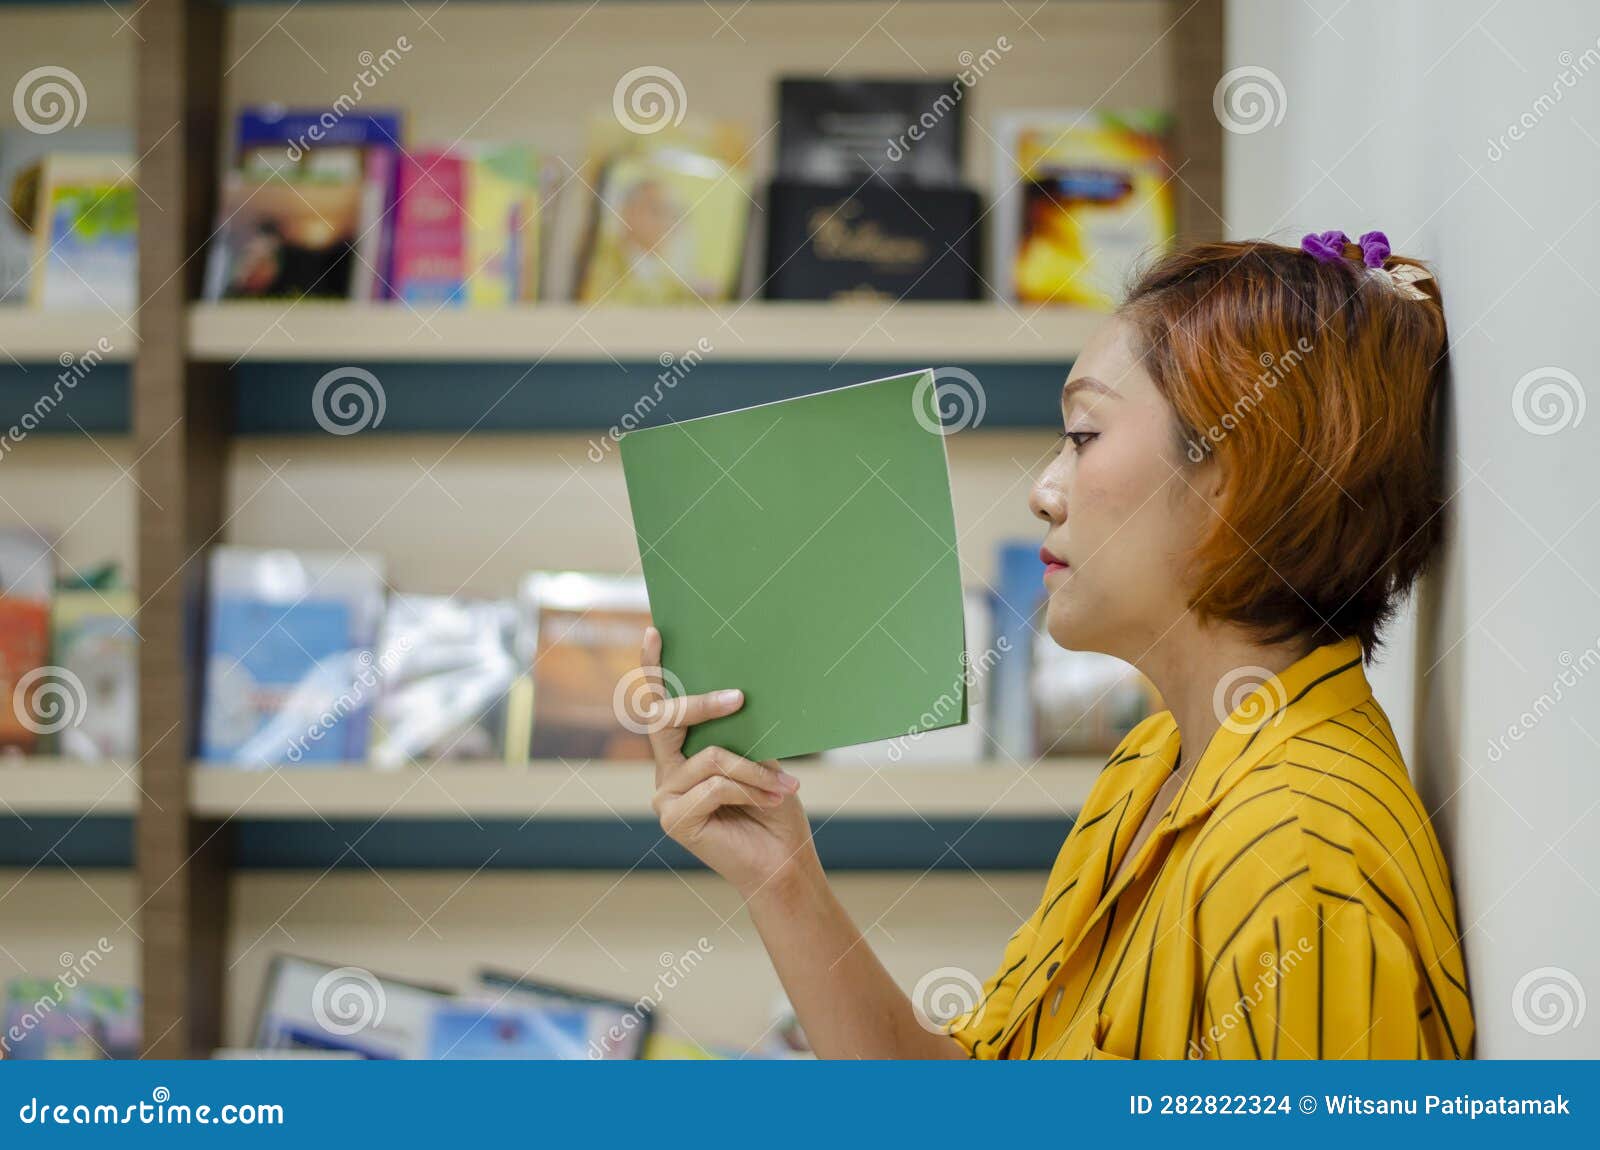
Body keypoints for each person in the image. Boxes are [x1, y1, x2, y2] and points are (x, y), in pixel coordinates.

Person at [637, 232, 1475, 1059]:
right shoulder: (1156, 764)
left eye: (1083, 437)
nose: (1043, 491)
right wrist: (781, 876)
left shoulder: (1297, 865)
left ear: (1235, 472)